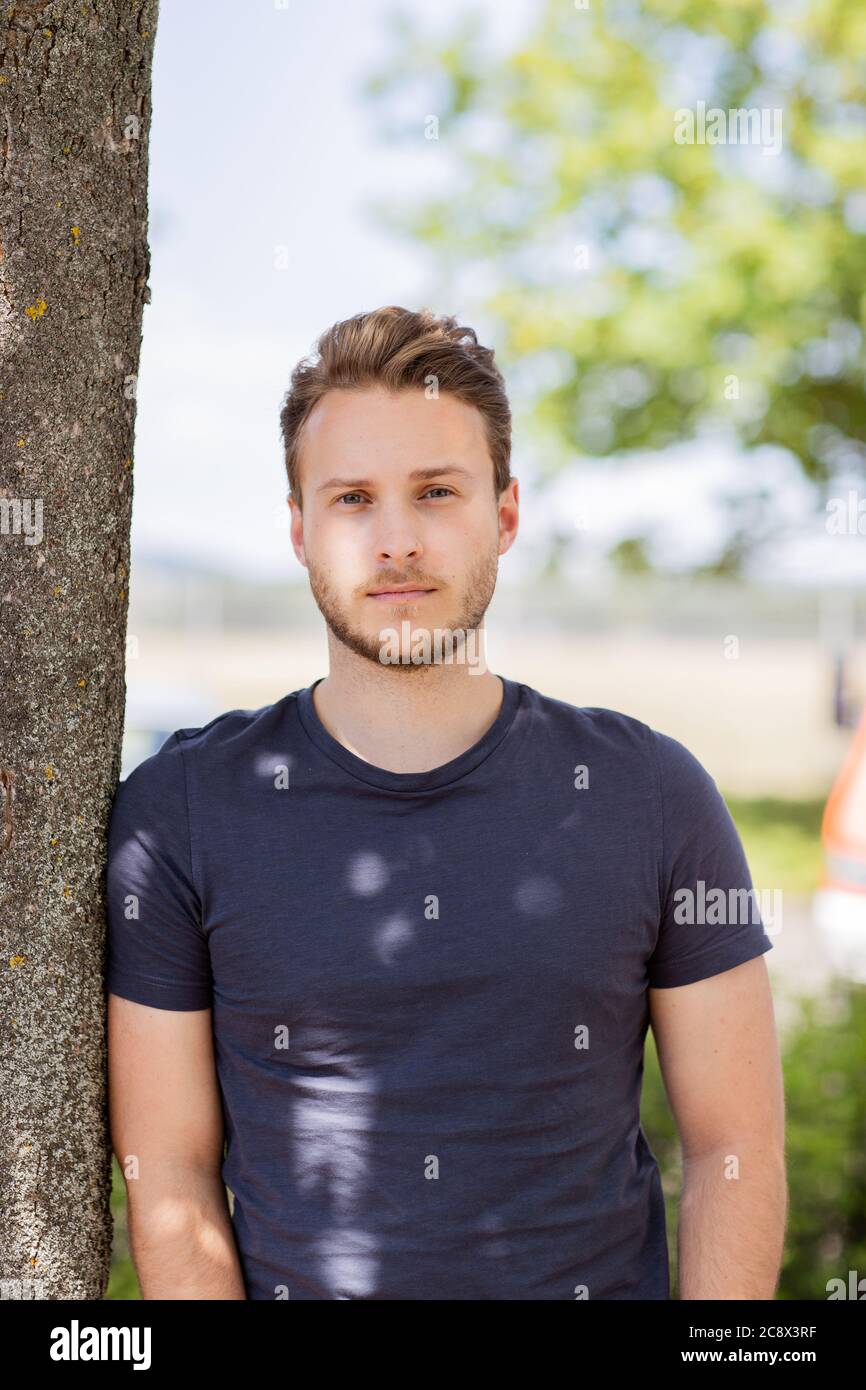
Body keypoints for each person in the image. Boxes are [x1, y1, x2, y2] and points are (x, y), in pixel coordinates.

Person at [106, 305, 786, 1300]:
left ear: (504, 514)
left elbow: (734, 1148)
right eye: (351, 499)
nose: (395, 541)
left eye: (435, 492)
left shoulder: (651, 794)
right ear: (298, 528)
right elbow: (167, 1175)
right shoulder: (182, 814)